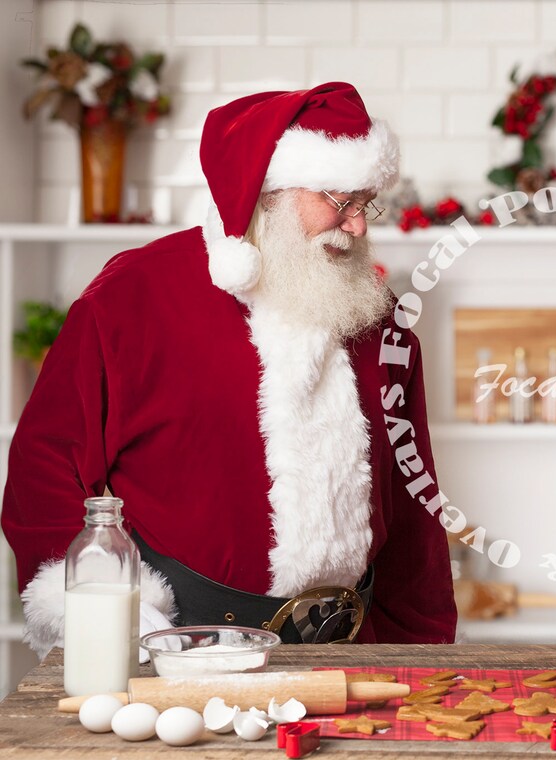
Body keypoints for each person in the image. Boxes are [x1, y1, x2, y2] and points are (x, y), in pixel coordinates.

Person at [2, 82, 457, 655]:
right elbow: (44, 469)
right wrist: (114, 629)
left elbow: (414, 505)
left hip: (352, 653)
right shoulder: (131, 299)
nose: (359, 225)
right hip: (176, 651)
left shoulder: (380, 321)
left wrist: (425, 648)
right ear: (267, 192)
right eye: (339, 201)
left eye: (366, 203)